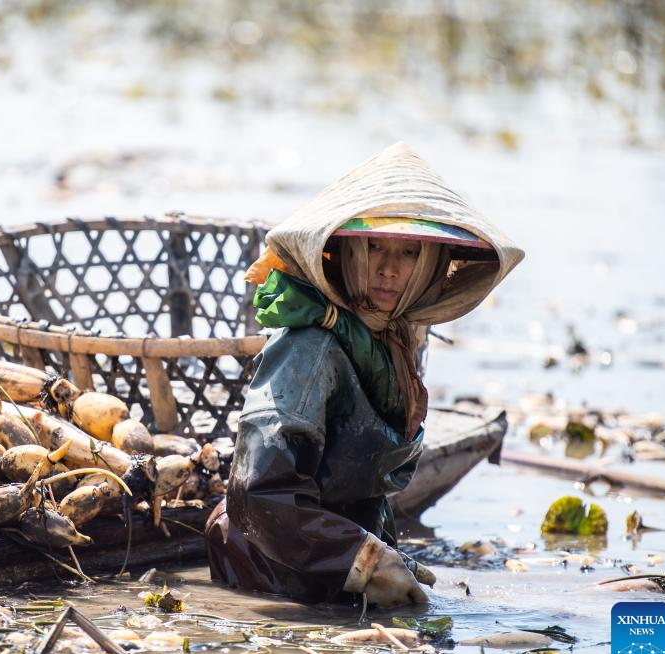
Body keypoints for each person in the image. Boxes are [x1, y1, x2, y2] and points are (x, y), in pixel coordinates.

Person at [205, 142, 524, 607]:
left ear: (430, 264)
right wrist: (364, 561)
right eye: (374, 246)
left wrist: (387, 556)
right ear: (349, 251)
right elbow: (259, 494)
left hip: (327, 567)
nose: (389, 270)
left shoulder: (394, 338)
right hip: (268, 568)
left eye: (409, 253)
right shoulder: (308, 348)